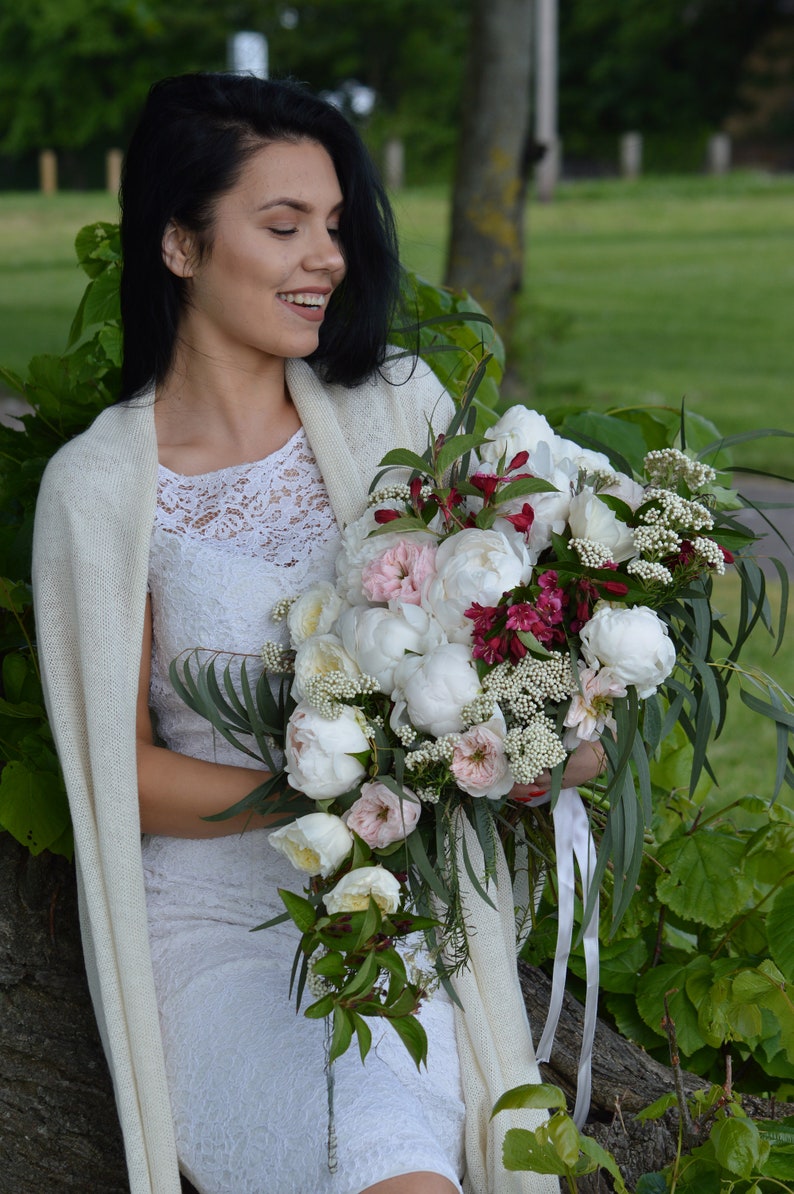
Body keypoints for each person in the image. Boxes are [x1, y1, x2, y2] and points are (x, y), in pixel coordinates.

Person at [33, 72, 593, 1194]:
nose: (326, 257)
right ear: (180, 246)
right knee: (377, 1158)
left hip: (401, 922)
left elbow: (500, 643)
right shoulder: (99, 488)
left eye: (333, 226)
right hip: (215, 937)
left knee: (417, 1136)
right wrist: (339, 794)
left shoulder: (396, 407)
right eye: (282, 226)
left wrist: (533, 741)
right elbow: (115, 773)